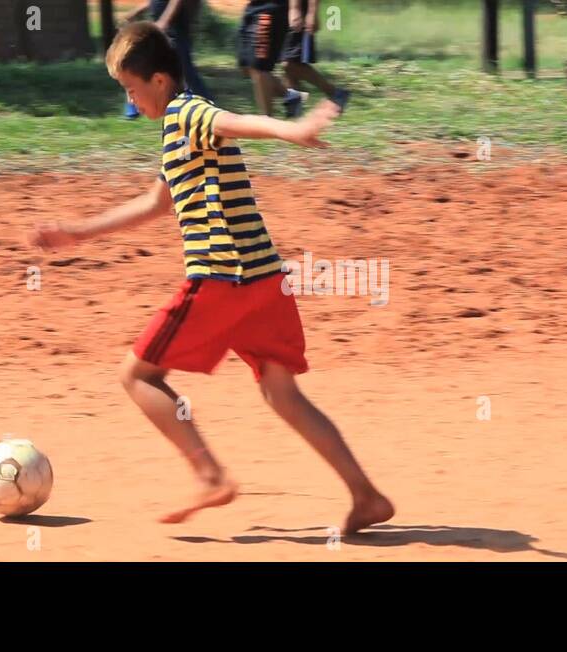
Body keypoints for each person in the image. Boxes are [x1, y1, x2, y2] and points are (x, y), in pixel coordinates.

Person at [30, 22, 394, 533]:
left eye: (132, 89)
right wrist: (79, 233)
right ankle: (366, 495)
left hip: (223, 276)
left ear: (159, 80)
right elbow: (159, 202)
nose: (131, 101)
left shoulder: (188, 110)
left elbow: (234, 121)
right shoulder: (174, 131)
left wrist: (291, 130)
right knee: (282, 393)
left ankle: (209, 475)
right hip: (264, 280)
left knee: (137, 375)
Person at [125, 0, 213, 119]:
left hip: (174, 27)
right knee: (143, 63)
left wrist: (164, 21)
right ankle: (134, 105)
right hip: (166, 27)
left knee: (183, 70)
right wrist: (137, 11)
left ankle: (208, 106)